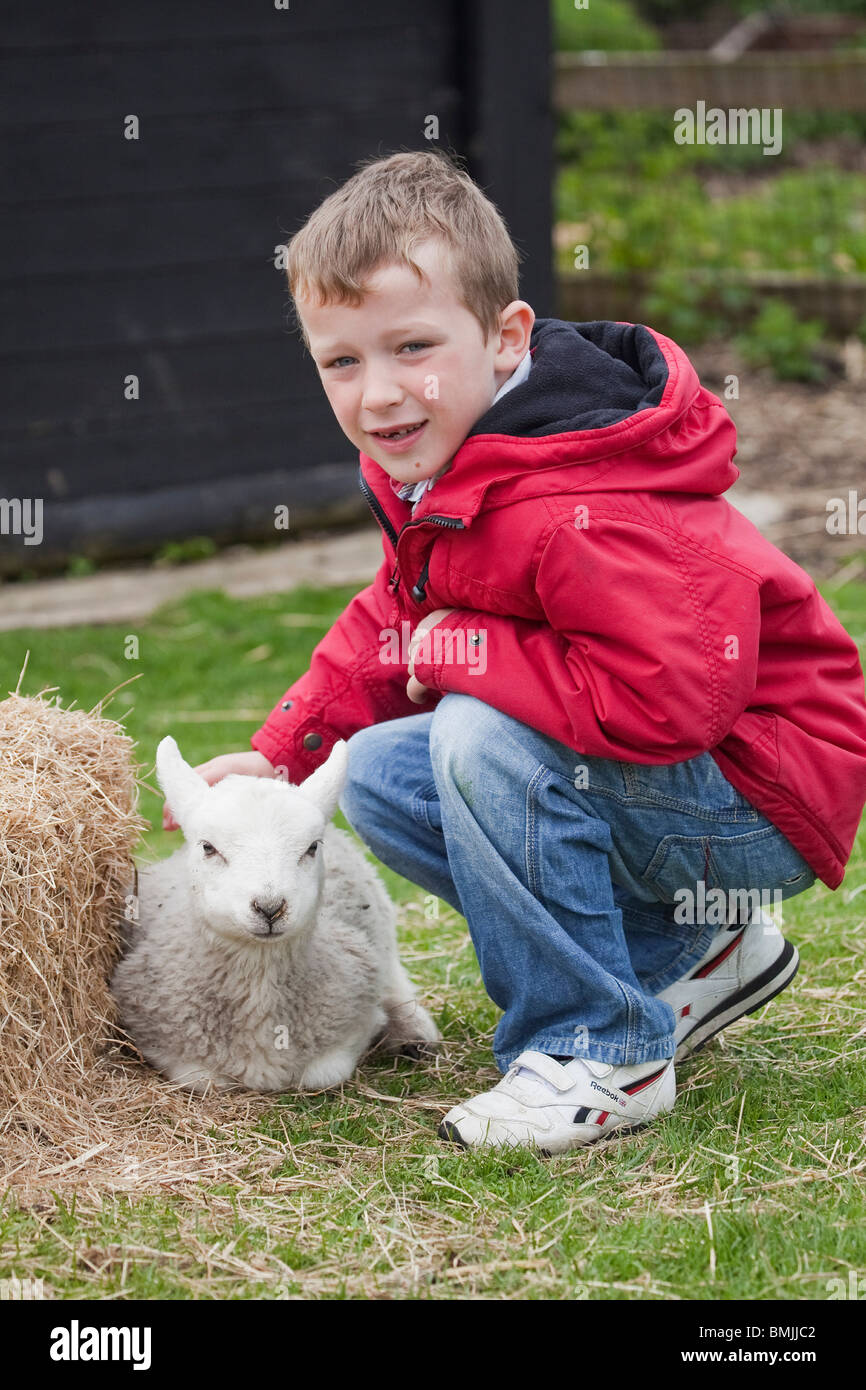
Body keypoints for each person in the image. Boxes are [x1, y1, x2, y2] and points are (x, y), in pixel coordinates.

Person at [162, 149, 866, 1155]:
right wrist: (283, 748)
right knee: (388, 777)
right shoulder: (442, 462)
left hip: (758, 790)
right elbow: (393, 616)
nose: (378, 393)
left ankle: (597, 1052)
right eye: (342, 361)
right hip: (674, 785)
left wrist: (467, 656)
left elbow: (667, 701)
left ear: (503, 338)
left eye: (412, 346)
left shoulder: (580, 497)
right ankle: (687, 956)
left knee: (477, 738)